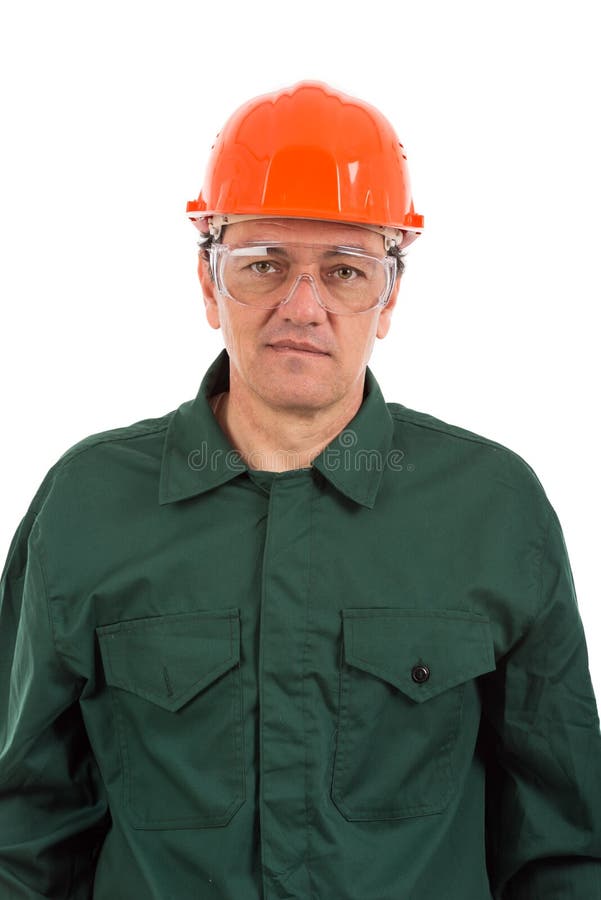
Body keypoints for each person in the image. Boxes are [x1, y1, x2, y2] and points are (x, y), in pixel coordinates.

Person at [0, 80, 600, 900]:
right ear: (209, 282)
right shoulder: (87, 504)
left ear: (388, 294)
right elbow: (22, 832)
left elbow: (564, 850)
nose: (302, 305)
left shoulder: (494, 510)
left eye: (345, 270)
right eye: (263, 264)